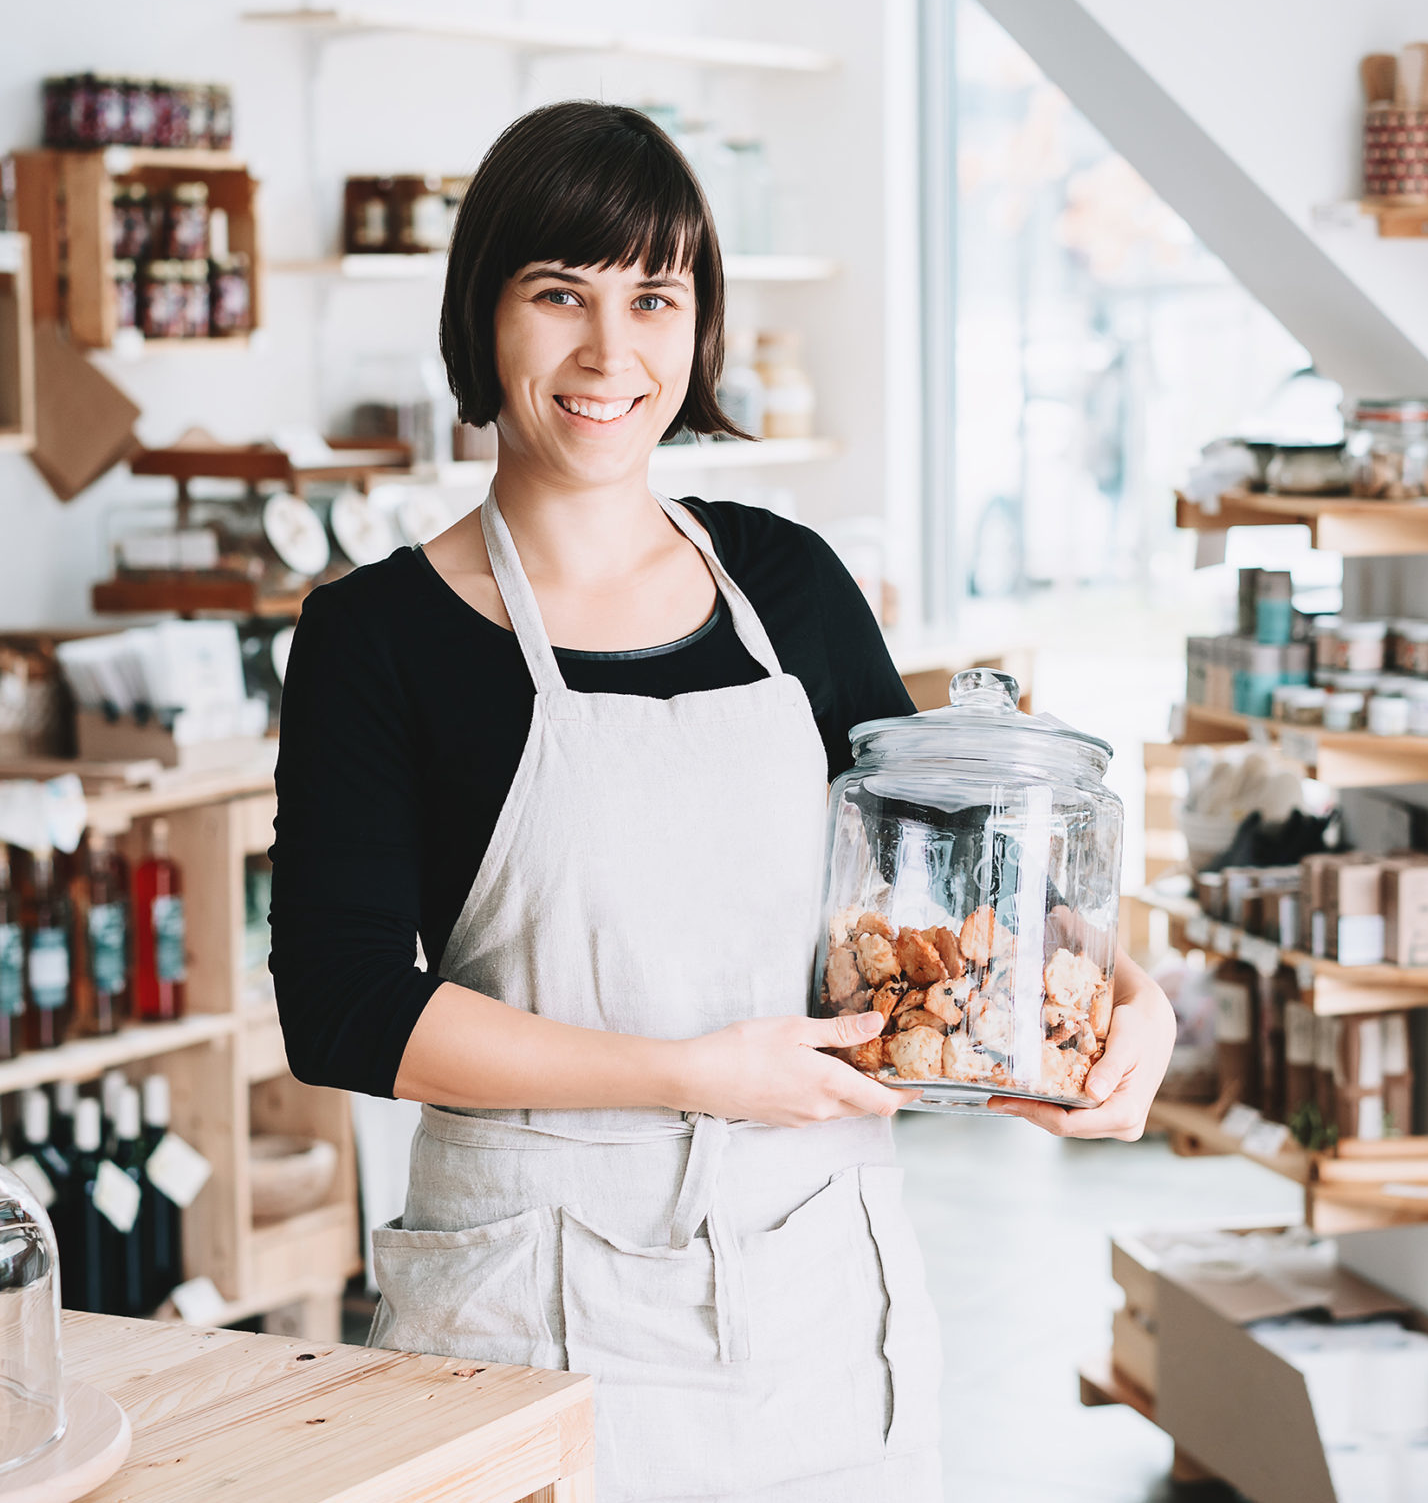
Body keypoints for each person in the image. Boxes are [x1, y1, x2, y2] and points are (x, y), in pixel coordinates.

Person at [270, 100, 1174, 1501]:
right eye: (557, 293)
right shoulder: (377, 636)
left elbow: (959, 867)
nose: (608, 352)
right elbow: (340, 1006)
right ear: (480, 317)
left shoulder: (789, 586)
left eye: (653, 295)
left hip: (820, 1305)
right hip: (537, 1317)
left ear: (699, 326)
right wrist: (692, 1074)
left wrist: (1130, 997)